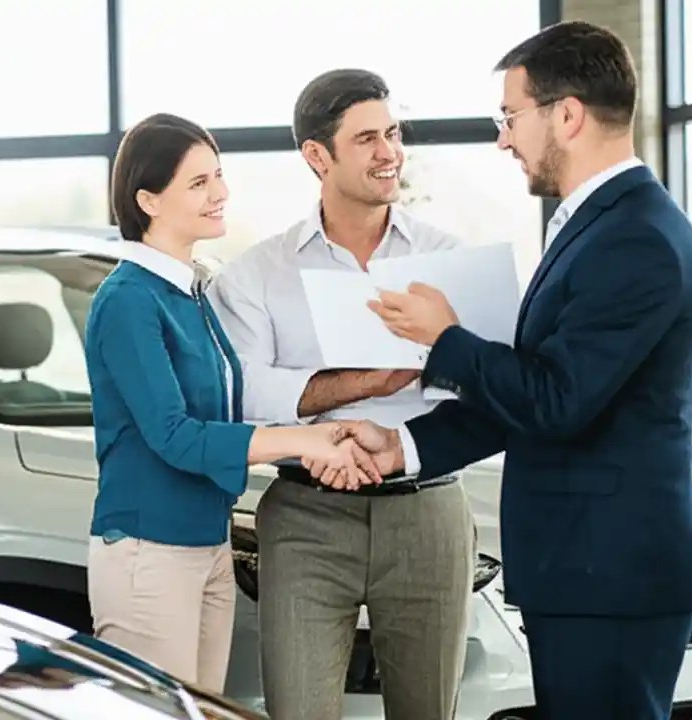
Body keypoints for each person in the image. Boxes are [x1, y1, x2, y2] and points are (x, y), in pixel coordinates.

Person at [349, 21, 692, 720]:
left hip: (608, 575)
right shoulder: (599, 224)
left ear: (567, 114)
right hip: (588, 573)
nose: (503, 139)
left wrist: (446, 336)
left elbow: (556, 401)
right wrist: (404, 446)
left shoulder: (634, 237)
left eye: (511, 116)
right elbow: (537, 388)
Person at [205, 70, 476, 720]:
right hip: (305, 518)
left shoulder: (451, 261)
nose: (389, 152)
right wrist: (370, 382)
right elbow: (243, 394)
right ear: (317, 156)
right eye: (366, 139)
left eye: (392, 133)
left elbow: (482, 389)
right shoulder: (258, 274)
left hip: (427, 513)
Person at [84, 112, 380, 694]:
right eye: (198, 183)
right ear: (148, 199)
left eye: (218, 175)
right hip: (149, 552)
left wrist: (326, 438)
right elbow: (175, 435)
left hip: (208, 542)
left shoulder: (191, 292)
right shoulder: (129, 300)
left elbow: (232, 413)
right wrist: (303, 441)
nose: (220, 193)